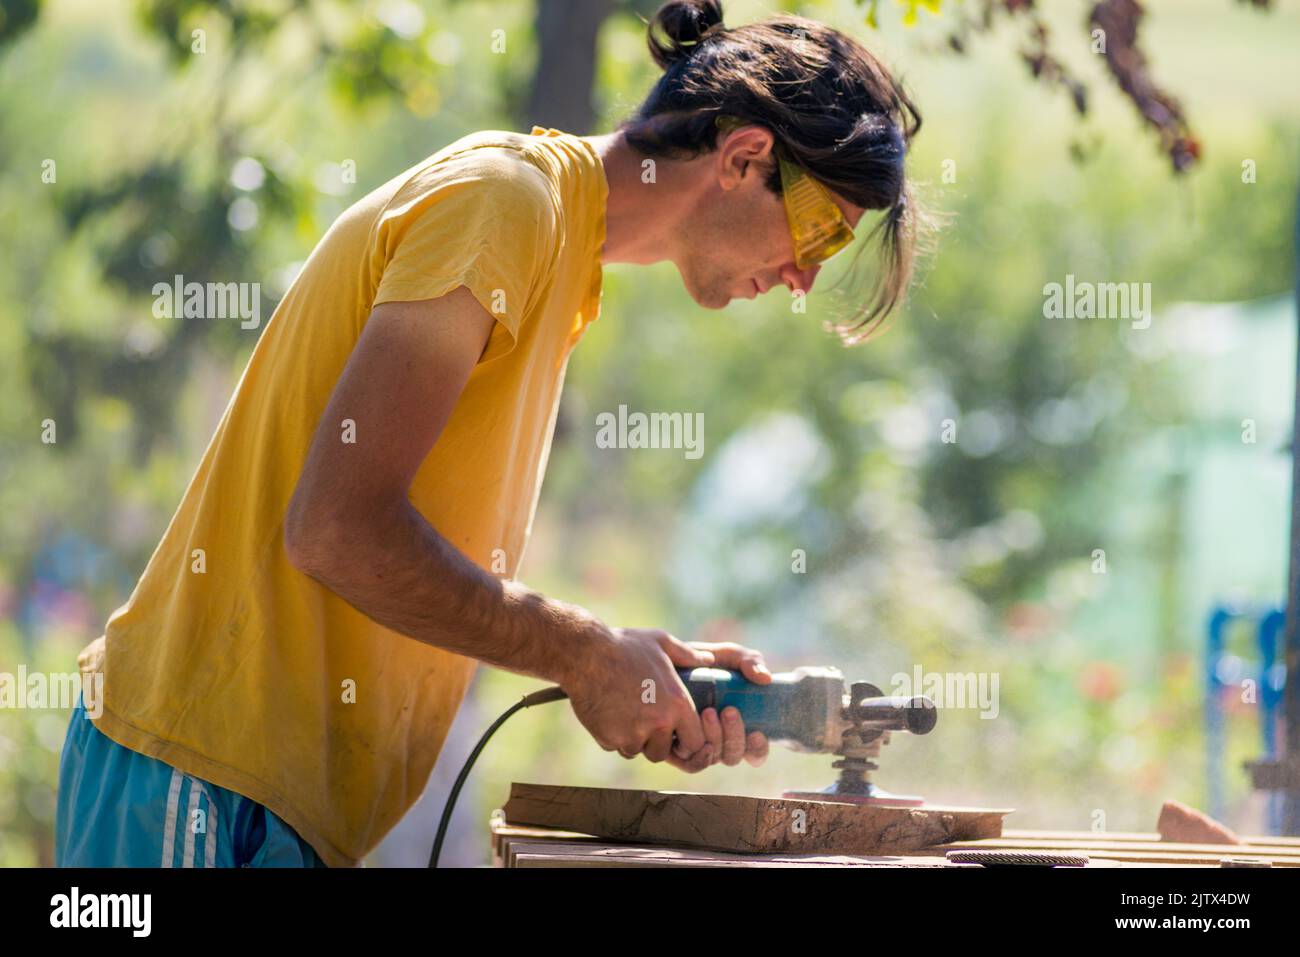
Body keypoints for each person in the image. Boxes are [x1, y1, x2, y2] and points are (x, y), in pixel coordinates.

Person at [56, 0, 924, 867]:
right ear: (743, 157)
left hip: (265, 801)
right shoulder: (505, 206)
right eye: (820, 230)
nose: (806, 277)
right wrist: (581, 653)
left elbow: (407, 552)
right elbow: (335, 529)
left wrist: (628, 666)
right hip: (199, 779)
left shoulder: (558, 261)